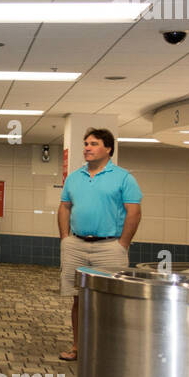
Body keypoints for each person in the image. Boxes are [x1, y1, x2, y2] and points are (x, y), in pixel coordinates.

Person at [57, 128, 142, 361]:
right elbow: (64, 207)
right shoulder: (74, 177)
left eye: (93, 144)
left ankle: (108, 350)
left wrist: (123, 244)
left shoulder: (124, 178)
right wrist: (65, 238)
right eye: (86, 143)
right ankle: (77, 347)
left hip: (109, 247)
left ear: (108, 149)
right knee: (78, 298)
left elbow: (133, 212)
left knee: (109, 300)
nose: (87, 147)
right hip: (76, 244)